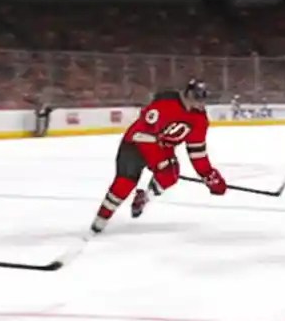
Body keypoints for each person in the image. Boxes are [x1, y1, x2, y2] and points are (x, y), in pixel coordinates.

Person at [90, 79, 226, 234]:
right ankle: (101, 218)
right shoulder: (164, 105)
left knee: (170, 176)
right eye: (197, 98)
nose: (201, 104)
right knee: (124, 183)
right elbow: (142, 134)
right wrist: (159, 162)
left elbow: (197, 152)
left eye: (203, 99)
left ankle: (144, 198)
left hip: (161, 148)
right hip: (135, 144)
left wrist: (209, 175)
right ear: (188, 93)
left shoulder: (199, 120)